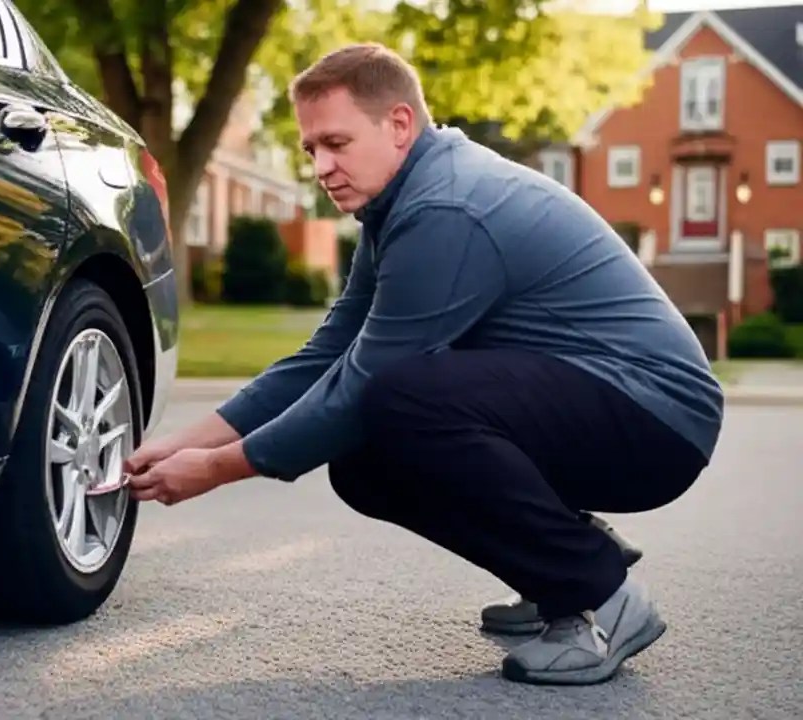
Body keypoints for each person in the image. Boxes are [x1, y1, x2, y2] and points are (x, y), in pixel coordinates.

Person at [125, 42, 724, 686]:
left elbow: (364, 383)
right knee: (362, 461)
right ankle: (563, 574)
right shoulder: (398, 206)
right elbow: (325, 354)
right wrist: (182, 443)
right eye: (310, 151)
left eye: (336, 142)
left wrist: (214, 470)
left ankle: (606, 599)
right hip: (601, 404)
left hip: (656, 419)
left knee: (400, 398)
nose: (321, 167)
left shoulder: (445, 207)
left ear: (399, 124)